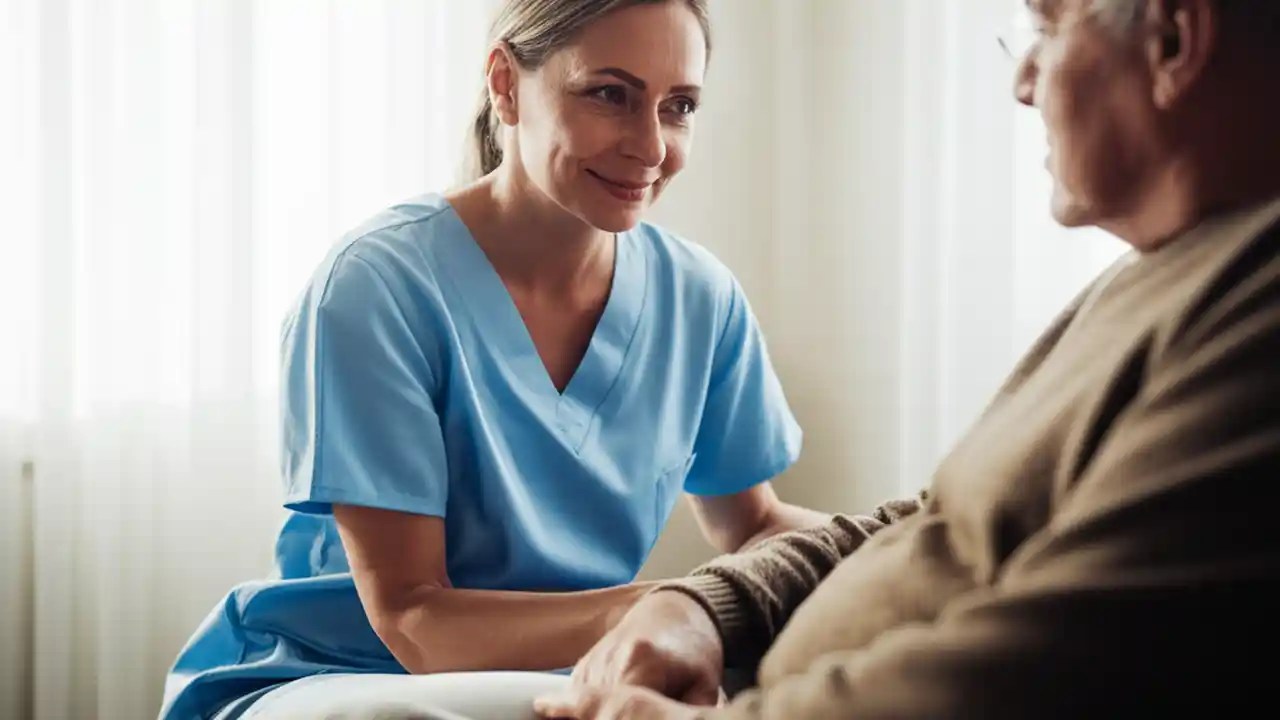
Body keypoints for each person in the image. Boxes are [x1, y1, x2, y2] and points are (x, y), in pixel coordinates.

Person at [534, 0, 1280, 717]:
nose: (1022, 83)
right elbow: (938, 523)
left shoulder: (1252, 308)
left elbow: (1057, 667)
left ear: (1174, 42)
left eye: (1046, 26)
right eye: (609, 94)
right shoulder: (1153, 277)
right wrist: (700, 605)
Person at [157, 1, 832, 718]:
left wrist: (904, 559)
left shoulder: (699, 298)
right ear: (505, 85)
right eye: (610, 94)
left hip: (565, 669)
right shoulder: (376, 288)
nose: (651, 146)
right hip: (340, 681)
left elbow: (754, 526)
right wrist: (672, 607)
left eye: (679, 106)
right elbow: (415, 621)